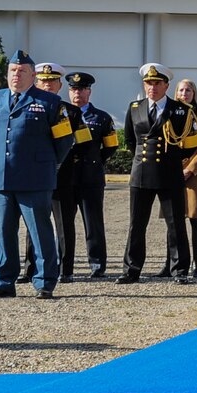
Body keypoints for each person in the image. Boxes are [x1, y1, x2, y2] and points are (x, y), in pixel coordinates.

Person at [0, 50, 74, 299]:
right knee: (4, 232)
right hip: (0, 177)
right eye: (12, 70)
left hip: (35, 178)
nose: (16, 75)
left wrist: (46, 164)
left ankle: (44, 281)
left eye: (22, 71)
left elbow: (64, 140)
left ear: (33, 75)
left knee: (40, 231)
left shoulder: (50, 102)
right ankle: (4, 282)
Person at [116, 62, 197, 284]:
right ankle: (131, 269)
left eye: (156, 83)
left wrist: (174, 160)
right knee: (137, 223)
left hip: (169, 172)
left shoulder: (181, 110)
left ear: (166, 85)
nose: (152, 87)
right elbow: (131, 140)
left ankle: (179, 270)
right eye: (148, 83)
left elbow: (191, 145)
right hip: (142, 172)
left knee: (176, 224)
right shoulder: (135, 108)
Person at [22, 62, 90, 284]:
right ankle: (30, 268)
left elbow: (84, 144)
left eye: (52, 81)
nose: (47, 85)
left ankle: (66, 269)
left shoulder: (71, 112)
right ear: (36, 82)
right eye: (43, 81)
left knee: (64, 226)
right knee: (33, 224)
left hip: (63, 177)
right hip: (34, 177)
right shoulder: (25, 107)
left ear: (60, 85)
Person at [64, 71, 119, 278]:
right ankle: (64, 266)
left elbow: (110, 147)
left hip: (90, 178)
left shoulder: (101, 117)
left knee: (93, 224)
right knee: (64, 225)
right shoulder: (61, 113)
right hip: (66, 179)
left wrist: (95, 161)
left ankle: (97, 265)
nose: (77, 93)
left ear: (89, 91)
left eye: (81, 89)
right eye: (73, 89)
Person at [170, 78, 197, 278]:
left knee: (196, 221)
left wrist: (190, 169)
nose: (184, 93)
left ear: (194, 94)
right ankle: (172, 263)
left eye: (188, 90)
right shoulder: (168, 115)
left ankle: (195, 263)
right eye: (181, 90)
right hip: (171, 173)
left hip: (195, 175)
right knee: (173, 221)